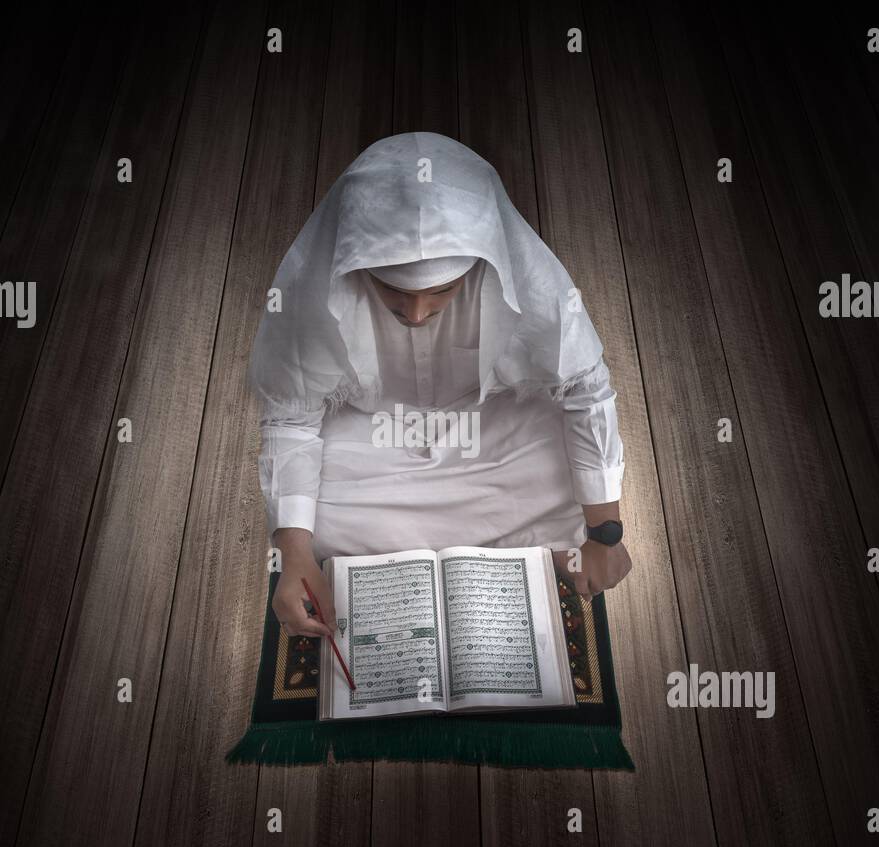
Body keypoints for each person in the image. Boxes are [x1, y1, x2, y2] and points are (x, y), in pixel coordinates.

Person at [249, 132, 631, 640]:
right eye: (391, 289)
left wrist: (605, 535)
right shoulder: (312, 291)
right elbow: (291, 418)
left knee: (564, 478)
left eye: (443, 291)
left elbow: (586, 392)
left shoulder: (528, 283)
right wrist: (294, 554)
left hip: (491, 432)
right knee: (318, 523)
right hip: (372, 440)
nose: (416, 314)